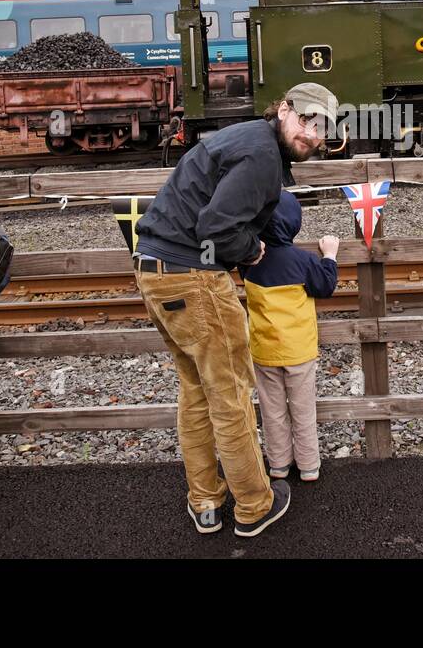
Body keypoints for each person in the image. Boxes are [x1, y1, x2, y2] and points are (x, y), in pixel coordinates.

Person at [133, 82, 338, 538]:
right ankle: (253, 505)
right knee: (229, 396)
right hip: (195, 276)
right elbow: (217, 229)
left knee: (196, 391)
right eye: (306, 120)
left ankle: (205, 500)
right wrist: (254, 249)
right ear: (285, 109)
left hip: (155, 269)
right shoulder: (263, 157)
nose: (312, 134)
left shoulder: (247, 138)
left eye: (322, 129)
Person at [239, 191, 338, 481]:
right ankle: (308, 466)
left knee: (272, 411)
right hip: (299, 351)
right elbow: (326, 285)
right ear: (294, 223)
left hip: (264, 351)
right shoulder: (303, 261)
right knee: (303, 409)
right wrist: (330, 255)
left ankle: (279, 464)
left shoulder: (249, 261)